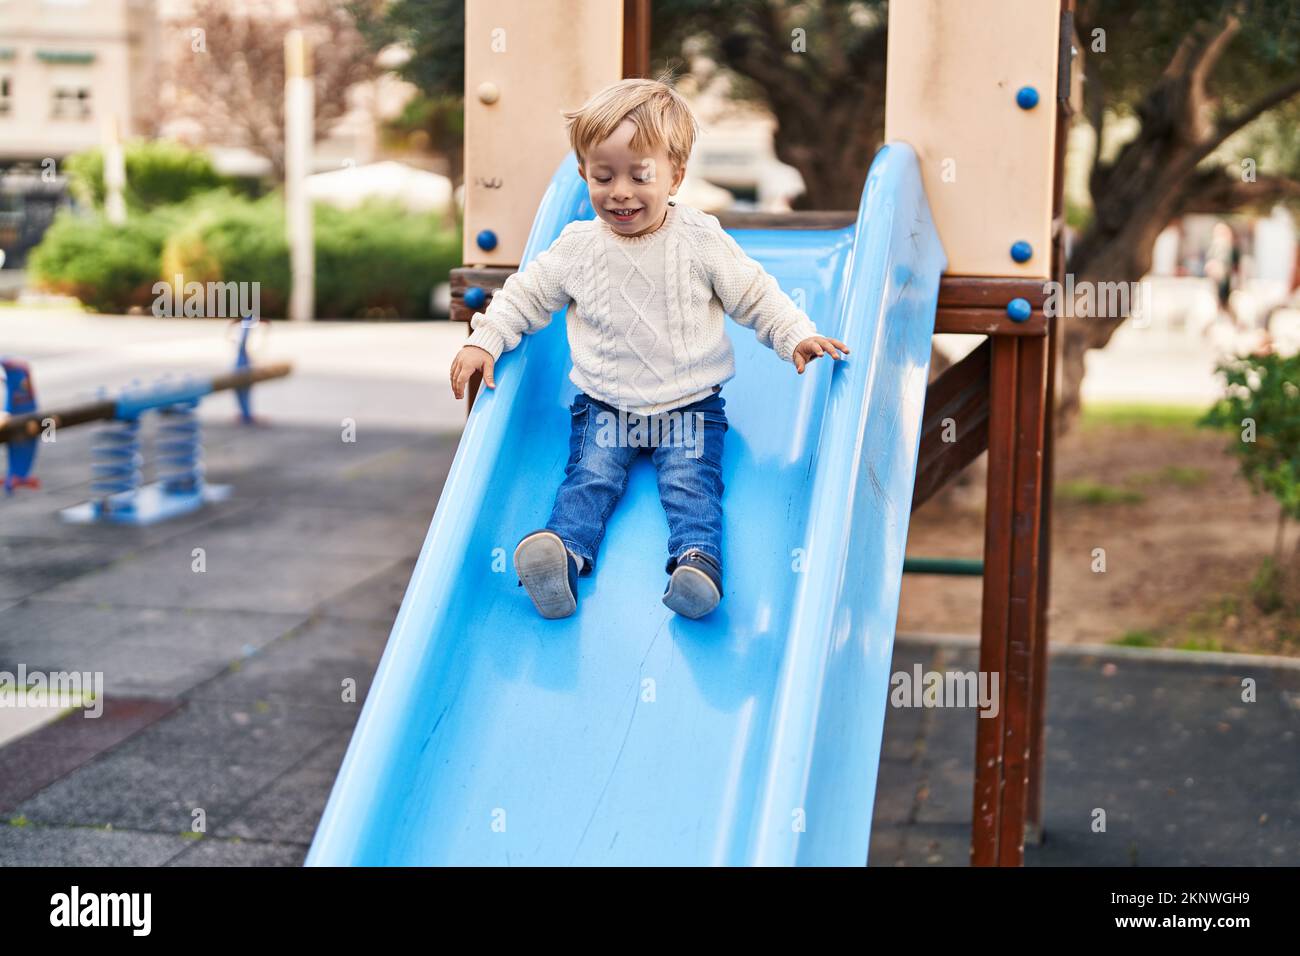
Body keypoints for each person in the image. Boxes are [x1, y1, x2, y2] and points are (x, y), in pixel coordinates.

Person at [449, 77, 849, 620]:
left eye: (640, 175)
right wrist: (486, 340)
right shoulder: (577, 247)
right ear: (585, 174)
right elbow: (526, 295)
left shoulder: (699, 239)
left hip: (688, 406)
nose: (619, 192)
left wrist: (794, 334)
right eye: (602, 175)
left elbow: (753, 293)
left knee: (692, 487)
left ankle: (697, 566)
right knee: (588, 481)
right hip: (606, 406)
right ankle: (562, 558)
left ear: (675, 175)